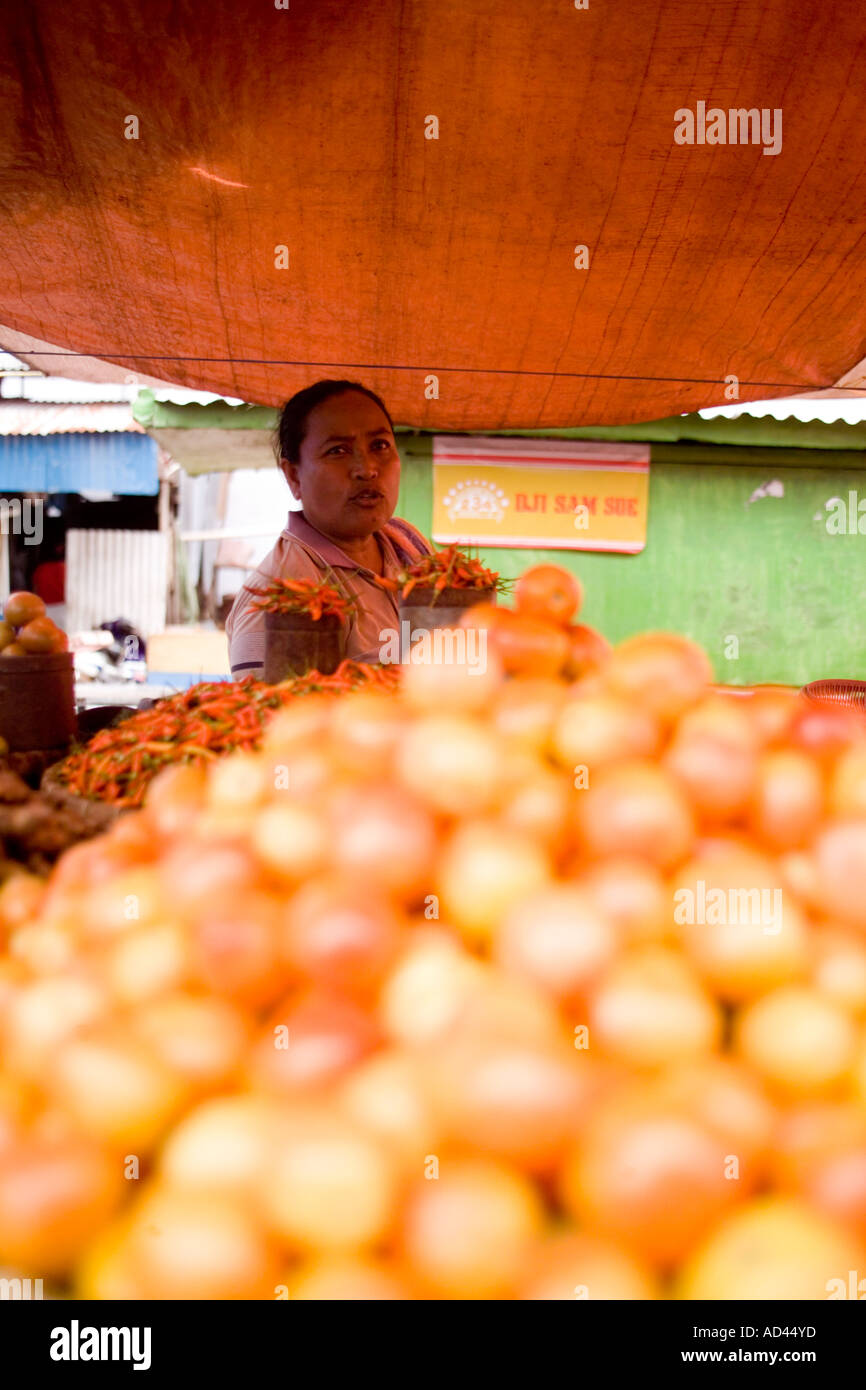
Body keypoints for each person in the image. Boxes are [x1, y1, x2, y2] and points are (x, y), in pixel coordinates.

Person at [226, 380, 432, 676]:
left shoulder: (409, 545)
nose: (367, 469)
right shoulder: (277, 595)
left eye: (380, 445)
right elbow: (271, 715)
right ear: (294, 476)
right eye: (338, 451)